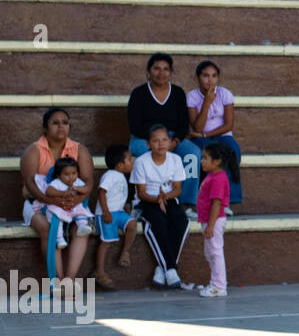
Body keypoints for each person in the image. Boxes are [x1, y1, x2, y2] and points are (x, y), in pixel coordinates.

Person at [19, 108, 94, 281]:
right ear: (45, 127)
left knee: (82, 228)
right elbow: (30, 184)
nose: (61, 127)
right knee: (46, 227)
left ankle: (70, 279)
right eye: (55, 123)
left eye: (65, 123)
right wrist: (52, 201)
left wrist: (75, 200)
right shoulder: (34, 150)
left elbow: (88, 183)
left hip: (73, 204)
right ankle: (57, 280)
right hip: (38, 204)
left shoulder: (79, 150)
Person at [132, 124, 189, 288]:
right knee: (158, 222)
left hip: (168, 198)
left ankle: (162, 268)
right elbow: (141, 192)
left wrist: (165, 197)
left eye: (164, 140)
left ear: (170, 142)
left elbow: (177, 189)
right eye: (156, 141)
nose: (161, 144)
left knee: (181, 222)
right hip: (148, 200)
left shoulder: (175, 159)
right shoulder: (141, 162)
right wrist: (157, 199)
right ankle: (171, 269)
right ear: (148, 144)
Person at [184, 60, 242, 208]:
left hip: (222, 135)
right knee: (207, 155)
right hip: (201, 137)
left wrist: (206, 134)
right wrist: (207, 103)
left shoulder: (225, 94)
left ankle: (226, 201)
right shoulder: (191, 97)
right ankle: (207, 198)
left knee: (233, 151)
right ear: (198, 77)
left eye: (214, 76)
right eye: (206, 76)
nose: (210, 80)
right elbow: (197, 127)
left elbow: (229, 124)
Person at [191, 141, 238, 298]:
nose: (202, 161)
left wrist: (210, 226)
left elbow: (216, 204)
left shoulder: (218, 178)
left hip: (214, 222)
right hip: (208, 221)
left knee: (215, 252)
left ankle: (219, 286)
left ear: (217, 161)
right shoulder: (212, 176)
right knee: (209, 252)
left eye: (205, 158)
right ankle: (215, 282)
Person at [126, 53, 191, 158]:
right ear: (148, 71)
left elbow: (184, 123)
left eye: (166, 69)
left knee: (192, 153)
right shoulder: (138, 93)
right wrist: (157, 140)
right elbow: (134, 126)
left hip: (172, 138)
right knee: (147, 153)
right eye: (156, 68)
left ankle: (187, 176)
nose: (161, 73)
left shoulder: (178, 92)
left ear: (171, 72)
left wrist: (174, 141)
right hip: (144, 138)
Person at [93, 145, 140, 291]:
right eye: (129, 159)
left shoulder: (121, 176)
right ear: (120, 165)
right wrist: (106, 212)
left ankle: (125, 252)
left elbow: (117, 195)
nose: (132, 162)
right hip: (106, 214)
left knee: (132, 224)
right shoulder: (110, 175)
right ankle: (99, 272)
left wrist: (124, 207)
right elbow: (101, 192)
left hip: (118, 212)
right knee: (106, 242)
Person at [36, 158, 92, 251]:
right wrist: (63, 193)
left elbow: (86, 189)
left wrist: (77, 188)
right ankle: (60, 239)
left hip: (73, 207)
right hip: (60, 207)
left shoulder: (77, 182)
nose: (71, 177)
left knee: (81, 211)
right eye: (66, 174)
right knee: (57, 218)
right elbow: (49, 191)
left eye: (74, 173)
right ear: (59, 176)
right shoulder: (57, 183)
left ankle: (82, 226)